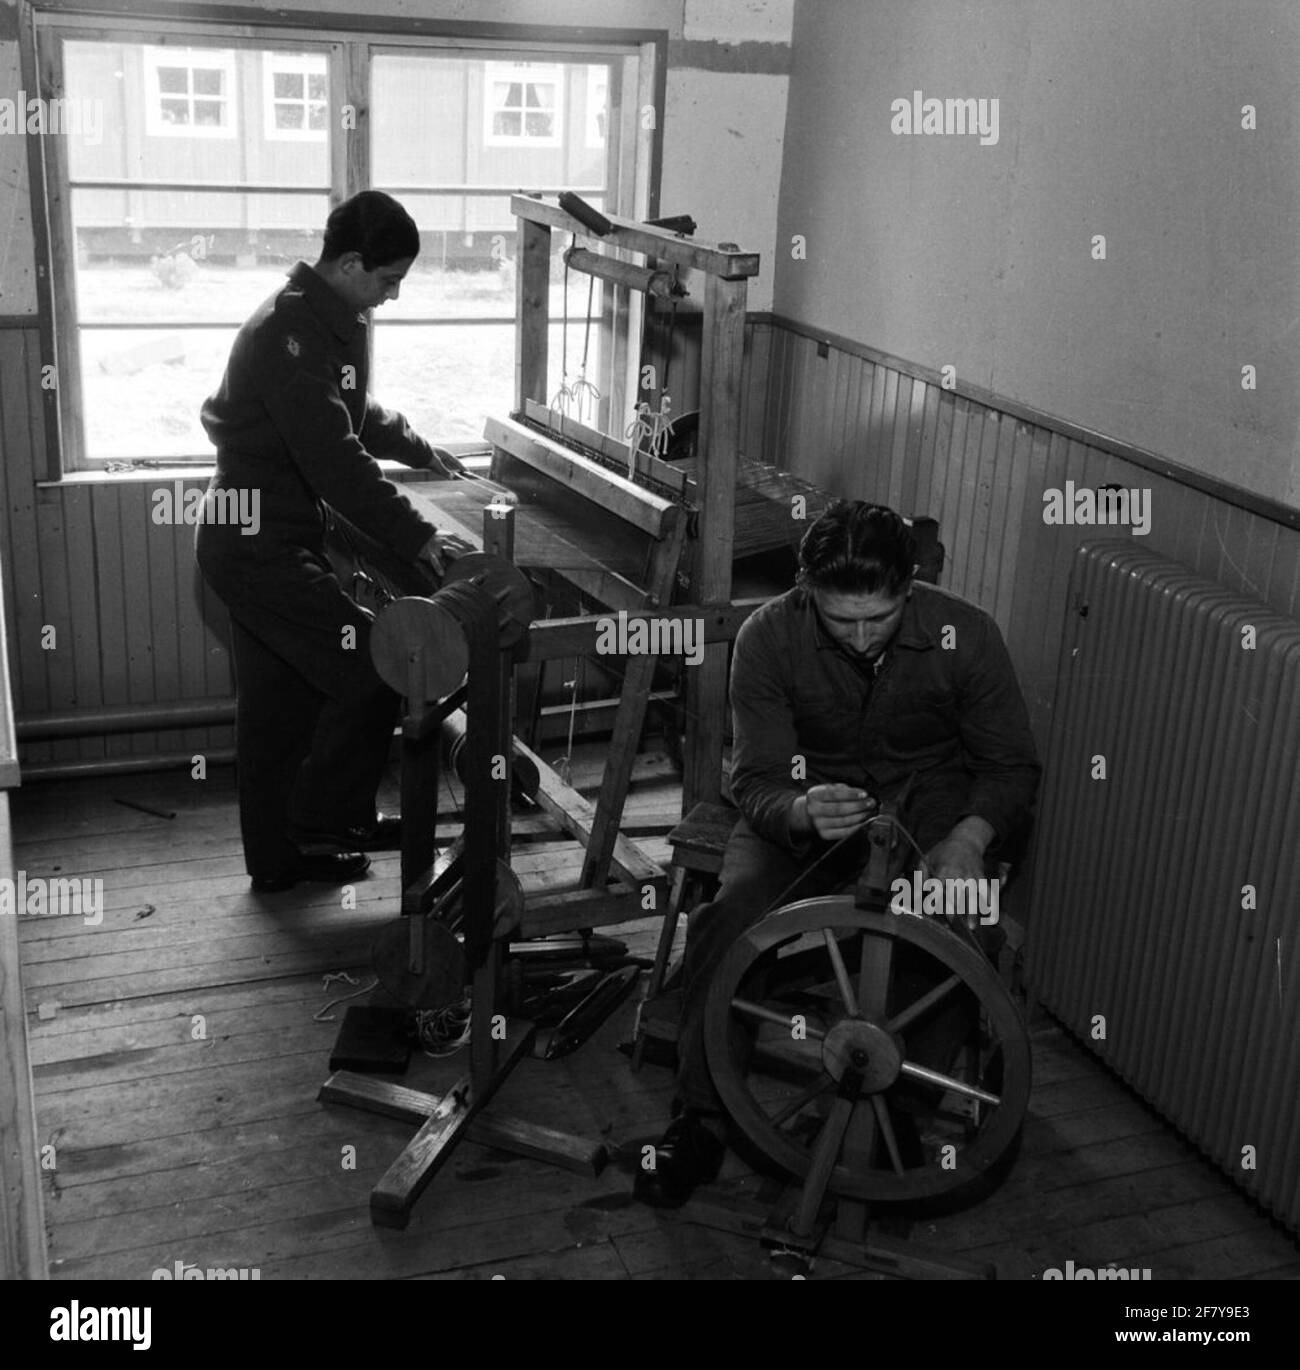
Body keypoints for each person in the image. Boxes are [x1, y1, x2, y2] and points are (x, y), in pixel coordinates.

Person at [634, 500, 1042, 1207]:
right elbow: (755, 778)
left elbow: (1012, 769)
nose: (858, 637)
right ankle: (699, 1118)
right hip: (809, 807)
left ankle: (897, 1114)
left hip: (932, 810)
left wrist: (970, 838)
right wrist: (797, 810)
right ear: (805, 590)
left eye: (877, 619)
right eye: (838, 618)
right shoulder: (768, 636)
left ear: (908, 589)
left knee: (949, 928)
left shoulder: (967, 635)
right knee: (730, 920)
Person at [197, 190, 469, 893]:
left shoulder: (325, 317)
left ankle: (282, 855)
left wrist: (420, 448)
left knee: (276, 707)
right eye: (387, 280)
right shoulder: (288, 332)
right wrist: (417, 535)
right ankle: (328, 823)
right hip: (256, 544)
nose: (392, 295)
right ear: (350, 263)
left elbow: (353, 409)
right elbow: (335, 459)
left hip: (263, 538)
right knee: (370, 668)